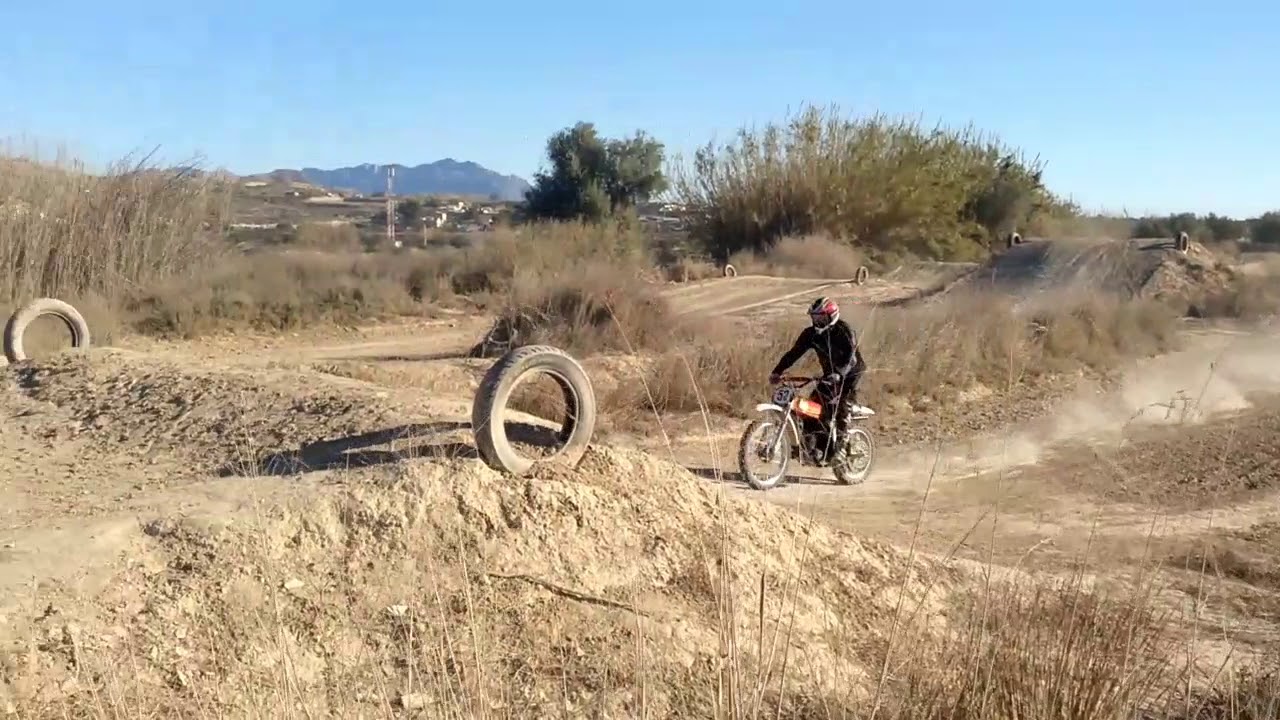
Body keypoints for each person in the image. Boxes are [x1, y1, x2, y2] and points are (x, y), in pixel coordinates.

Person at [768, 296, 866, 457]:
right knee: (813, 407)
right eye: (814, 318)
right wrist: (777, 371)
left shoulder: (843, 330)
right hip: (830, 375)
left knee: (841, 405)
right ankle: (815, 447)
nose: (817, 321)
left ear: (831, 316)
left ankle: (840, 448)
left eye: (821, 318)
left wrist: (839, 373)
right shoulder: (811, 334)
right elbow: (794, 353)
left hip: (850, 373)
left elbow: (851, 357)